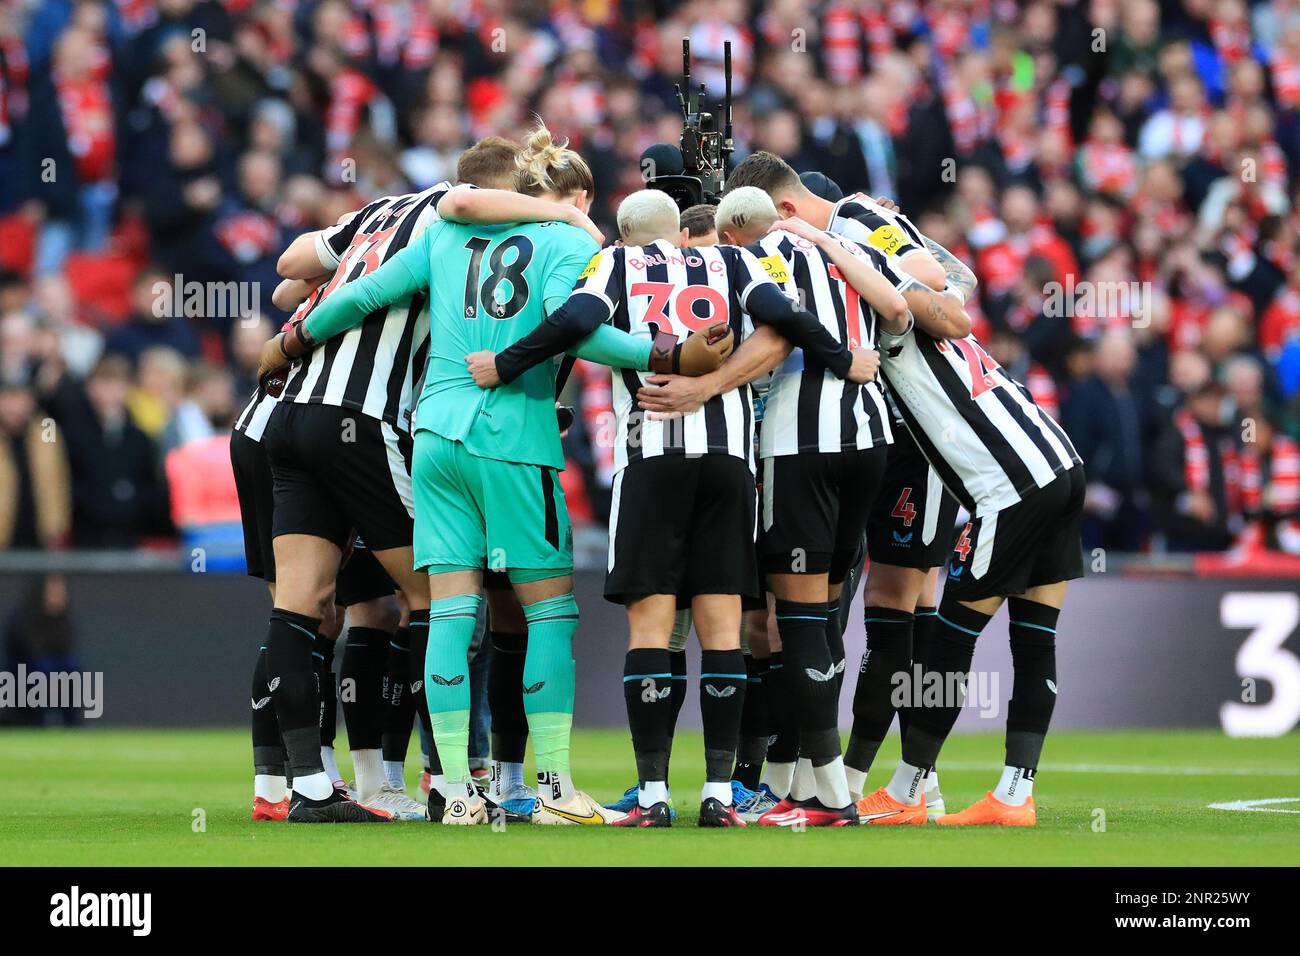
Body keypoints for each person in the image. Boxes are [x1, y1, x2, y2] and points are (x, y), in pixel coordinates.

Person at [279, 126, 729, 825]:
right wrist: (663, 354)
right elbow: (575, 329)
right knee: (548, 611)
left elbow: (363, 295)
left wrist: (294, 340)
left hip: (434, 436)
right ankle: (553, 790)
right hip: (513, 438)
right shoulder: (569, 241)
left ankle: (454, 792)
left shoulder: (444, 237)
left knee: (451, 613)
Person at [477, 188, 880, 826]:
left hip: (652, 457)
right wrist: (840, 355)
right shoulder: (734, 264)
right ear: (680, 231)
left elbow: (575, 323)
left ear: (626, 230)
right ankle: (720, 796)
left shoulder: (614, 264)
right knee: (722, 630)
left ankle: (655, 796)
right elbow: (788, 321)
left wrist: (505, 362)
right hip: (728, 462)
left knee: (652, 628)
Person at [787, 213, 1083, 827]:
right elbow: (956, 279)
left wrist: (824, 241)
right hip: (1057, 461)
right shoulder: (936, 308)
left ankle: (907, 788)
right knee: (1035, 638)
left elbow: (902, 298)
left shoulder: (895, 318)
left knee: (949, 638)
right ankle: (1012, 793)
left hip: (1011, 485)